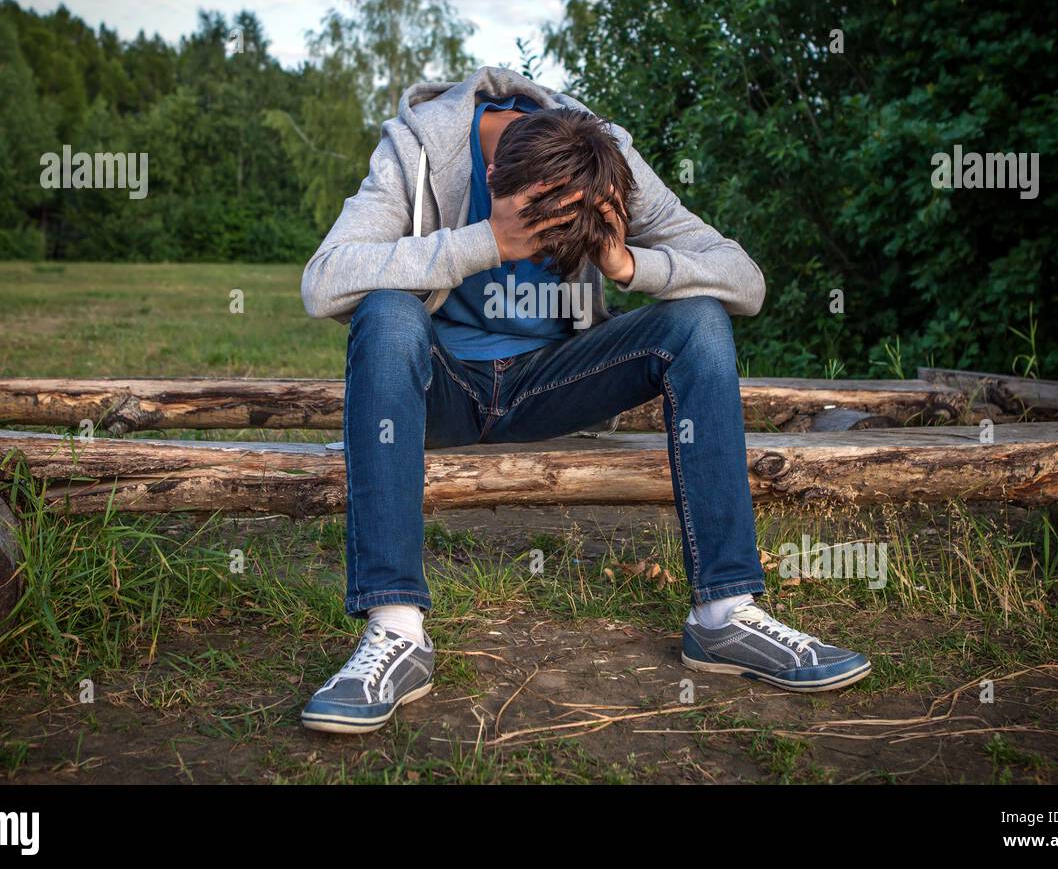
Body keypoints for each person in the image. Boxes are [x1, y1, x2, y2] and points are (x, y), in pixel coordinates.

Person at [298, 66, 870, 733]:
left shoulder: (605, 158)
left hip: (554, 386)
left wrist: (632, 267)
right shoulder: (418, 148)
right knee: (390, 313)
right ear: (495, 185)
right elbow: (323, 280)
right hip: (440, 391)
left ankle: (725, 616)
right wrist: (488, 242)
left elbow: (745, 279)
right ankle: (396, 631)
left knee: (700, 321)